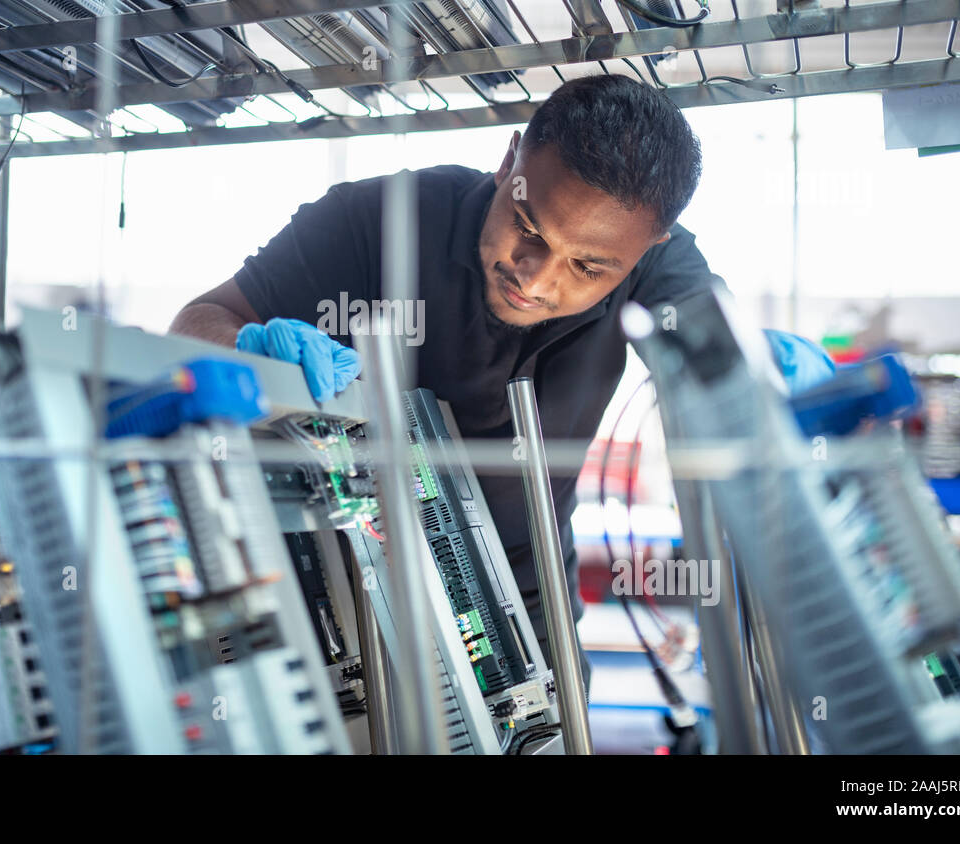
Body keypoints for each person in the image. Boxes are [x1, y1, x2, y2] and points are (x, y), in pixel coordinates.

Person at [171, 73, 832, 693]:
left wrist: (770, 391)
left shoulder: (660, 263)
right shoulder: (380, 217)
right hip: (350, 574)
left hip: (529, 588)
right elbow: (199, 320)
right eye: (528, 228)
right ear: (510, 161)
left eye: (587, 266)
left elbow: (719, 369)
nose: (537, 278)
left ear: (648, 248)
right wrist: (247, 352)